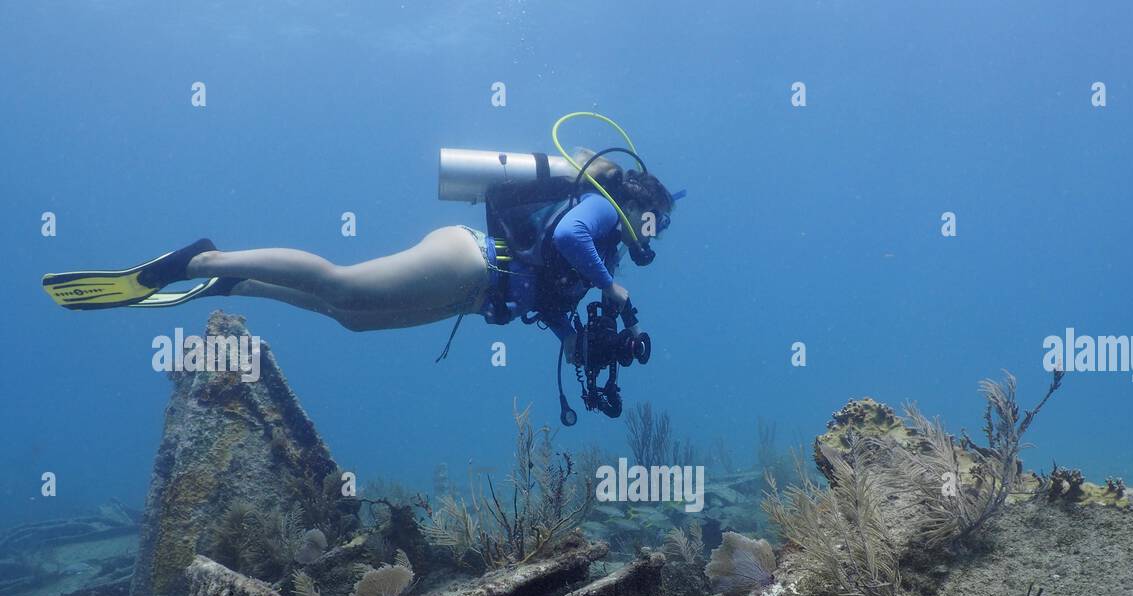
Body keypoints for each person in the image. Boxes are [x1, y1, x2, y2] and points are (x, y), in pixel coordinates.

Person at [40, 150, 677, 355]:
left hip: (476, 295)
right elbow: (564, 238)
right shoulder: (601, 208)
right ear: (642, 204)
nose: (654, 233)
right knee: (345, 286)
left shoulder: (606, 249)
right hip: (469, 261)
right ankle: (203, 260)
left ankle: (233, 286)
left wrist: (575, 339)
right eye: (657, 221)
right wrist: (612, 290)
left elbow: (552, 296)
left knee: (351, 317)